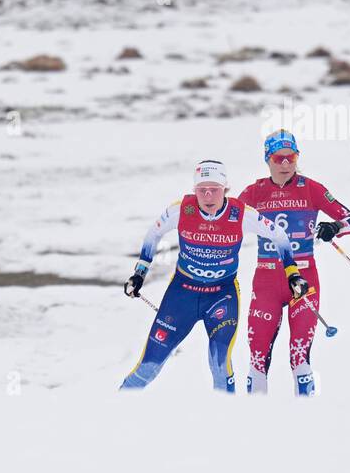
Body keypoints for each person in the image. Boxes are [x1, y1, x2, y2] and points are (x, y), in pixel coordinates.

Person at [121, 159, 304, 392]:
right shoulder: (181, 210)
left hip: (222, 295)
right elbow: (153, 234)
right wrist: (140, 272)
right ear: (194, 190)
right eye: (202, 190)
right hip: (182, 295)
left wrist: (292, 272)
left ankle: (224, 422)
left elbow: (279, 236)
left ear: (225, 189)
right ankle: (114, 412)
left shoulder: (241, 214)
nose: (208, 196)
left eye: (214, 190)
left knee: (219, 365)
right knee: (147, 368)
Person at [237, 130, 350, 396]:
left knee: (300, 356)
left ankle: (306, 421)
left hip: (304, 280)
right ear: (267, 159)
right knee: (257, 358)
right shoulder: (255, 191)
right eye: (279, 158)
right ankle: (252, 423)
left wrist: (334, 227)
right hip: (267, 279)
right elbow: (228, 221)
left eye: (291, 157)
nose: (285, 164)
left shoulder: (311, 188)